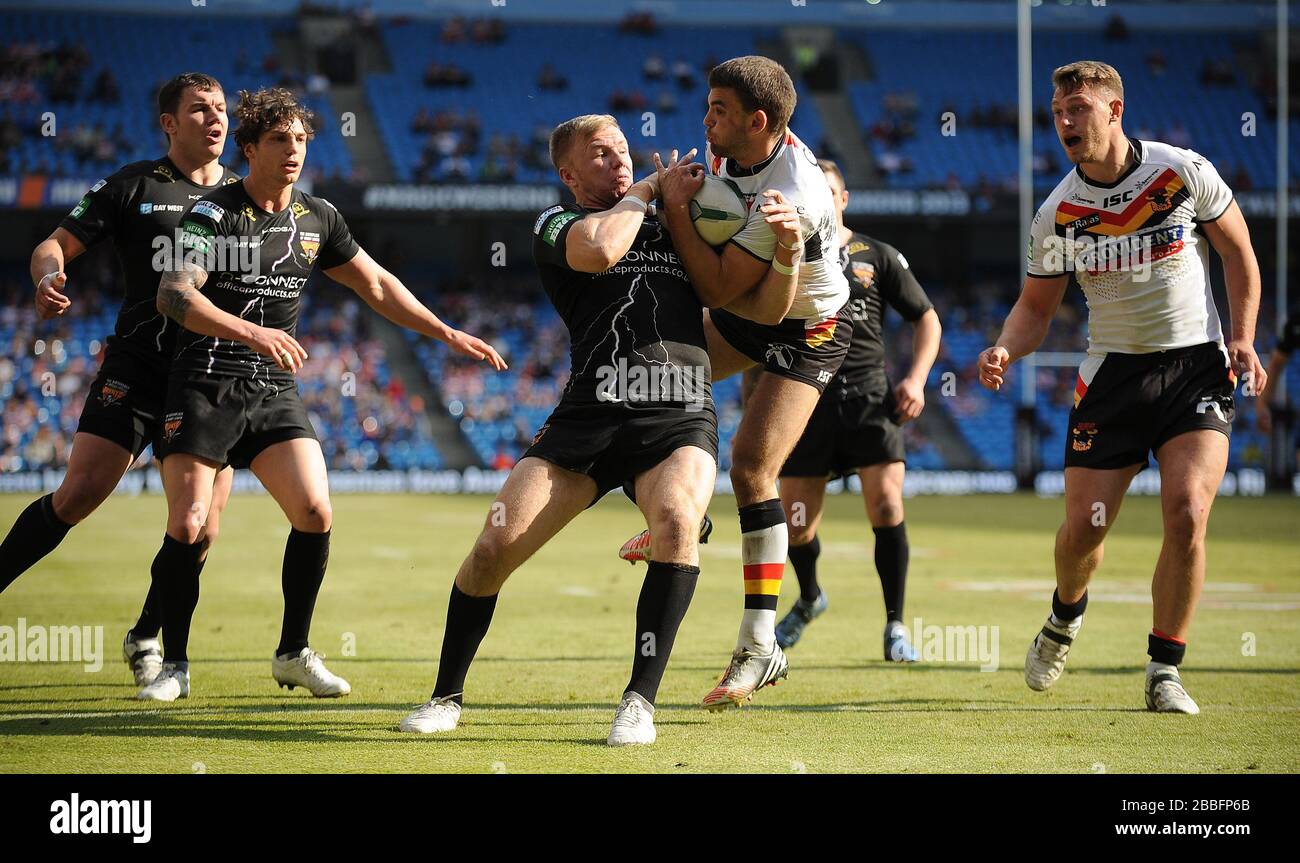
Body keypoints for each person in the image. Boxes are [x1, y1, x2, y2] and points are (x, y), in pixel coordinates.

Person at [398, 113, 805, 744]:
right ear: (568, 174)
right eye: (601, 154)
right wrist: (648, 191)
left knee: (673, 521)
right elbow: (602, 250)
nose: (619, 160)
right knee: (491, 550)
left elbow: (761, 307)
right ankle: (445, 697)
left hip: (677, 410)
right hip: (588, 414)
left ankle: (639, 702)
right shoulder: (558, 225)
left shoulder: (685, 219)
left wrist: (786, 250)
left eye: (622, 149)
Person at [140, 87, 505, 701]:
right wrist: (252, 330)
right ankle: (172, 661)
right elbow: (175, 295)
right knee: (192, 525)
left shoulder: (318, 217)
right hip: (203, 377)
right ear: (249, 148)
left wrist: (444, 331)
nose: (293, 152)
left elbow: (378, 286)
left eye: (301, 141)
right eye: (279, 140)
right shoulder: (211, 213)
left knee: (315, 512)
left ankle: (293, 651)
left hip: (272, 385)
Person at [977, 61, 1268, 714]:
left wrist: (1243, 337)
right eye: (1057, 111)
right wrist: (1003, 345)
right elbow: (1034, 309)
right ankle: (1064, 615)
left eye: (1078, 107)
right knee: (1083, 529)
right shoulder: (1058, 212)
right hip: (1112, 378)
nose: (1065, 121)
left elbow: (1239, 252)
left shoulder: (1180, 171)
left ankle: (1164, 669)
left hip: (1196, 365)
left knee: (1188, 511)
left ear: (1115, 110)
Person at [618, 56, 852, 711]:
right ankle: (677, 518)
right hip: (749, 313)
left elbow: (720, 286)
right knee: (643, 381)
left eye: (719, 110)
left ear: (758, 121)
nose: (705, 119)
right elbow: (726, 290)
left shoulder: (796, 193)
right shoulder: (732, 155)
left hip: (807, 327)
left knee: (752, 467)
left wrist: (677, 208)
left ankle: (759, 643)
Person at [0, 72, 239, 688]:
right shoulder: (133, 186)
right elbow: (55, 244)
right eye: (199, 110)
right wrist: (47, 277)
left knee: (202, 527)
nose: (216, 119)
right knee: (77, 496)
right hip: (136, 367)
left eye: (221, 109)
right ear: (169, 123)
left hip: (213, 376)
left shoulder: (247, 199)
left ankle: (146, 633)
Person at [770, 159, 942, 660]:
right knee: (797, 522)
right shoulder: (785, 250)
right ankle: (809, 597)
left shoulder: (878, 255)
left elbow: (926, 317)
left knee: (887, 506)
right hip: (805, 398)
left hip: (869, 398)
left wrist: (916, 379)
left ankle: (895, 628)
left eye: (830, 191)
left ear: (842, 199)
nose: (821, 197)